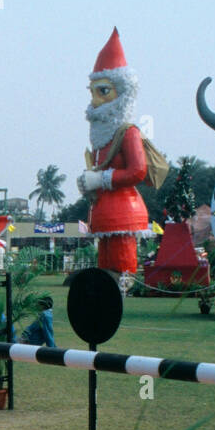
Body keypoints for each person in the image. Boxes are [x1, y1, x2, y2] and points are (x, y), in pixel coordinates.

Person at [77, 28, 148, 282]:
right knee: (104, 267)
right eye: (93, 92)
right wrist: (88, 181)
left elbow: (138, 170)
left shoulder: (128, 133)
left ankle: (121, 297)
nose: (95, 101)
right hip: (104, 213)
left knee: (120, 265)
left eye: (103, 92)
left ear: (121, 92)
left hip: (123, 212)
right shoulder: (100, 138)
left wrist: (102, 179)